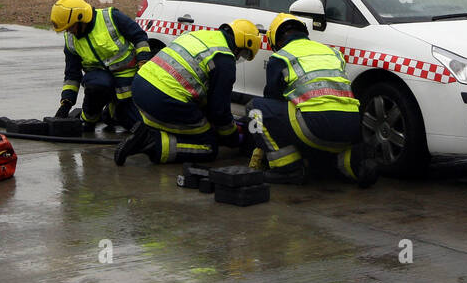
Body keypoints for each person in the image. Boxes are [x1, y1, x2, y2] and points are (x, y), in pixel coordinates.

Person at [246, 14, 377, 187]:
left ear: (276, 42)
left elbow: (272, 99)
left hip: (315, 126)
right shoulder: (333, 53)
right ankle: (354, 164)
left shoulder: (281, 57)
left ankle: (288, 169)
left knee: (255, 109)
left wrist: (260, 144)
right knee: (322, 150)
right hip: (352, 126)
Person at [114, 20, 260, 166]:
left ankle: (147, 133)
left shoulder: (201, 35)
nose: (239, 58)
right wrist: (233, 137)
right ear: (240, 45)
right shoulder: (224, 58)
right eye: (244, 54)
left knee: (195, 123)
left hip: (140, 85)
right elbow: (219, 112)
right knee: (208, 145)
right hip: (163, 98)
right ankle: (153, 143)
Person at [50, 0, 151, 131]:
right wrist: (66, 104)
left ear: (81, 19)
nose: (69, 32)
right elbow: (72, 75)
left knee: (138, 127)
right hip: (99, 81)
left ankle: (111, 113)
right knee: (97, 85)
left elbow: (140, 37)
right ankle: (89, 119)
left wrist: (143, 64)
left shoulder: (111, 17)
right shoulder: (71, 40)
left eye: (70, 27)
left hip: (128, 82)